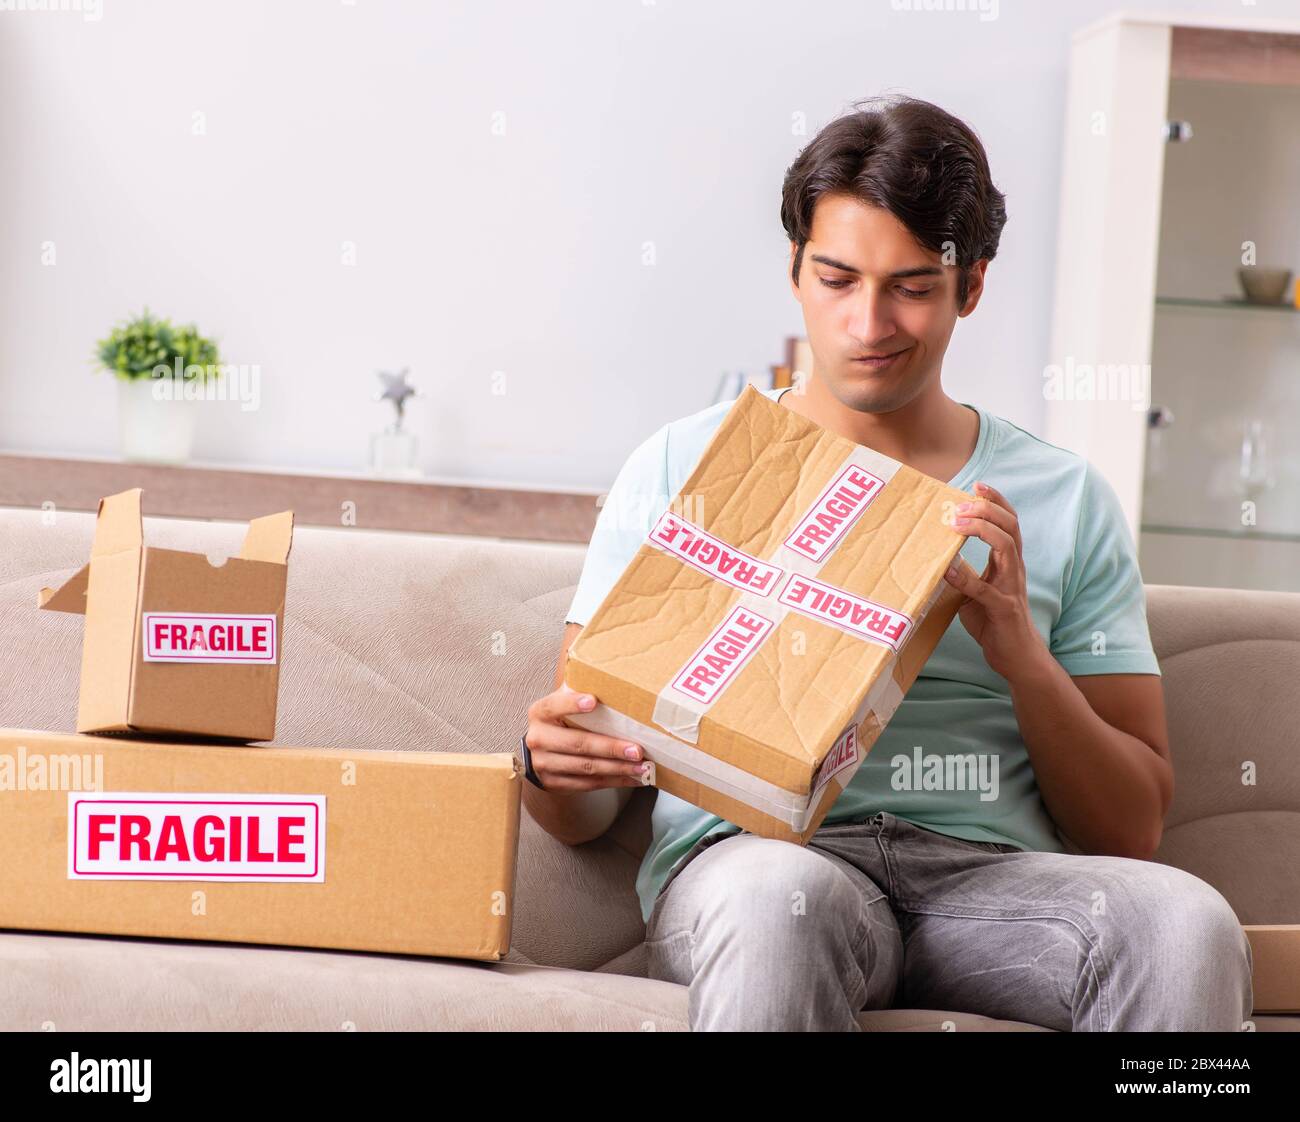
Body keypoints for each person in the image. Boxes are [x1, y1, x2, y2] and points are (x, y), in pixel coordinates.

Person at [521, 95, 1253, 1032]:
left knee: (1187, 923)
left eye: (912, 285)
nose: (868, 323)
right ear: (794, 272)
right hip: (759, 860)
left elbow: (1129, 829)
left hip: (993, 883)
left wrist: (1017, 647)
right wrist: (554, 770)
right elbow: (581, 805)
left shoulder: (1063, 497)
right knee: (780, 902)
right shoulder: (684, 466)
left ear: (971, 286)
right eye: (836, 279)